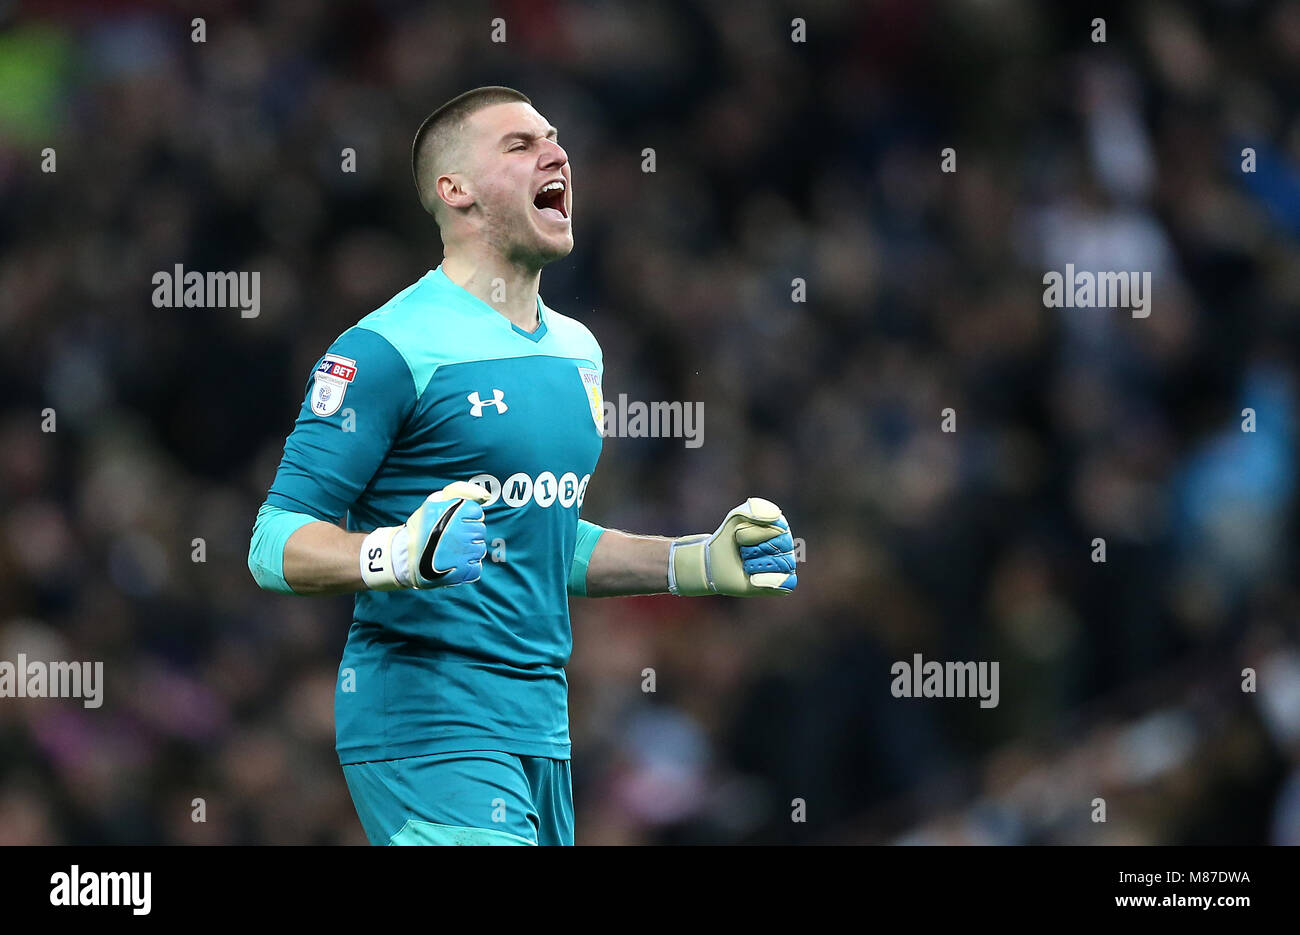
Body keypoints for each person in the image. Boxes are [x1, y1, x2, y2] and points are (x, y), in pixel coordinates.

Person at [247, 86, 797, 845]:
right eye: (520, 145)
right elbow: (272, 542)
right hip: (426, 718)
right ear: (456, 190)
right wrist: (397, 553)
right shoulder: (384, 349)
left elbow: (541, 538)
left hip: (540, 727)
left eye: (555, 139)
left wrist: (697, 561)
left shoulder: (580, 350)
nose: (556, 153)